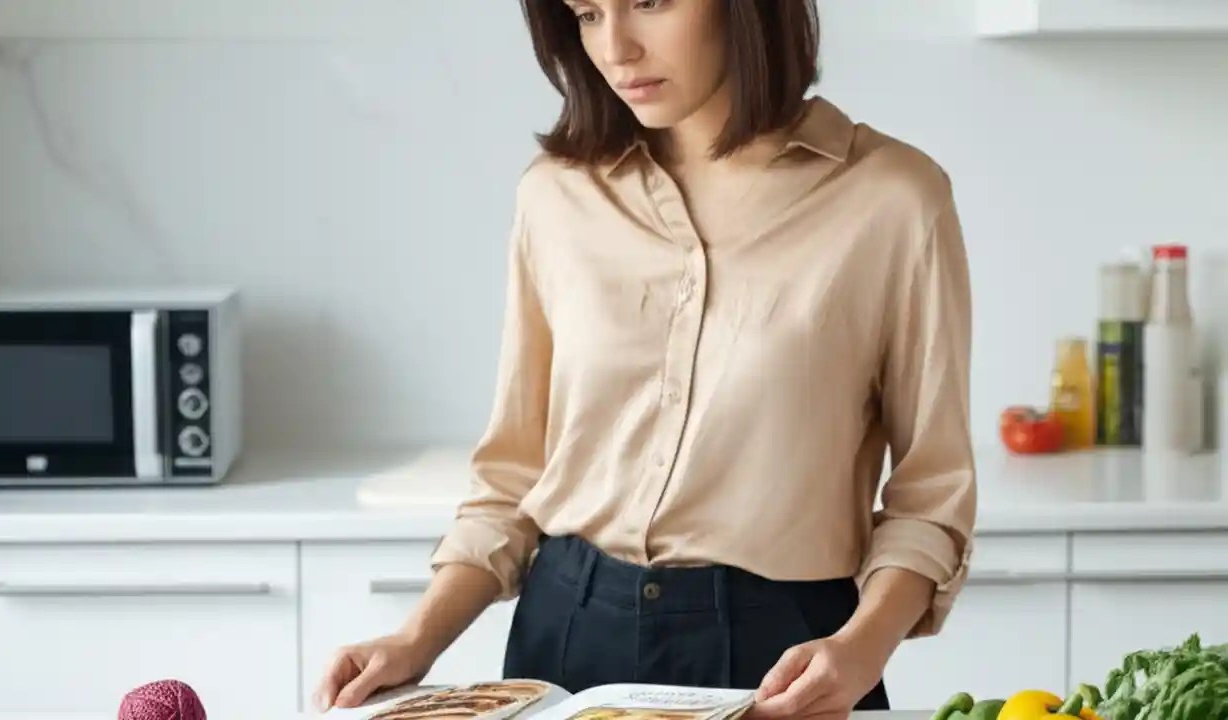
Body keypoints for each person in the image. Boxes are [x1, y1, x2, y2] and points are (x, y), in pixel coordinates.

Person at [314, 0, 977, 717]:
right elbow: (513, 475)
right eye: (588, 13)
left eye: (649, 3)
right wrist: (416, 640)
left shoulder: (893, 199)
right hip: (565, 635)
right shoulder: (556, 195)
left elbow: (930, 498)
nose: (616, 47)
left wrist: (861, 648)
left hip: (785, 655)